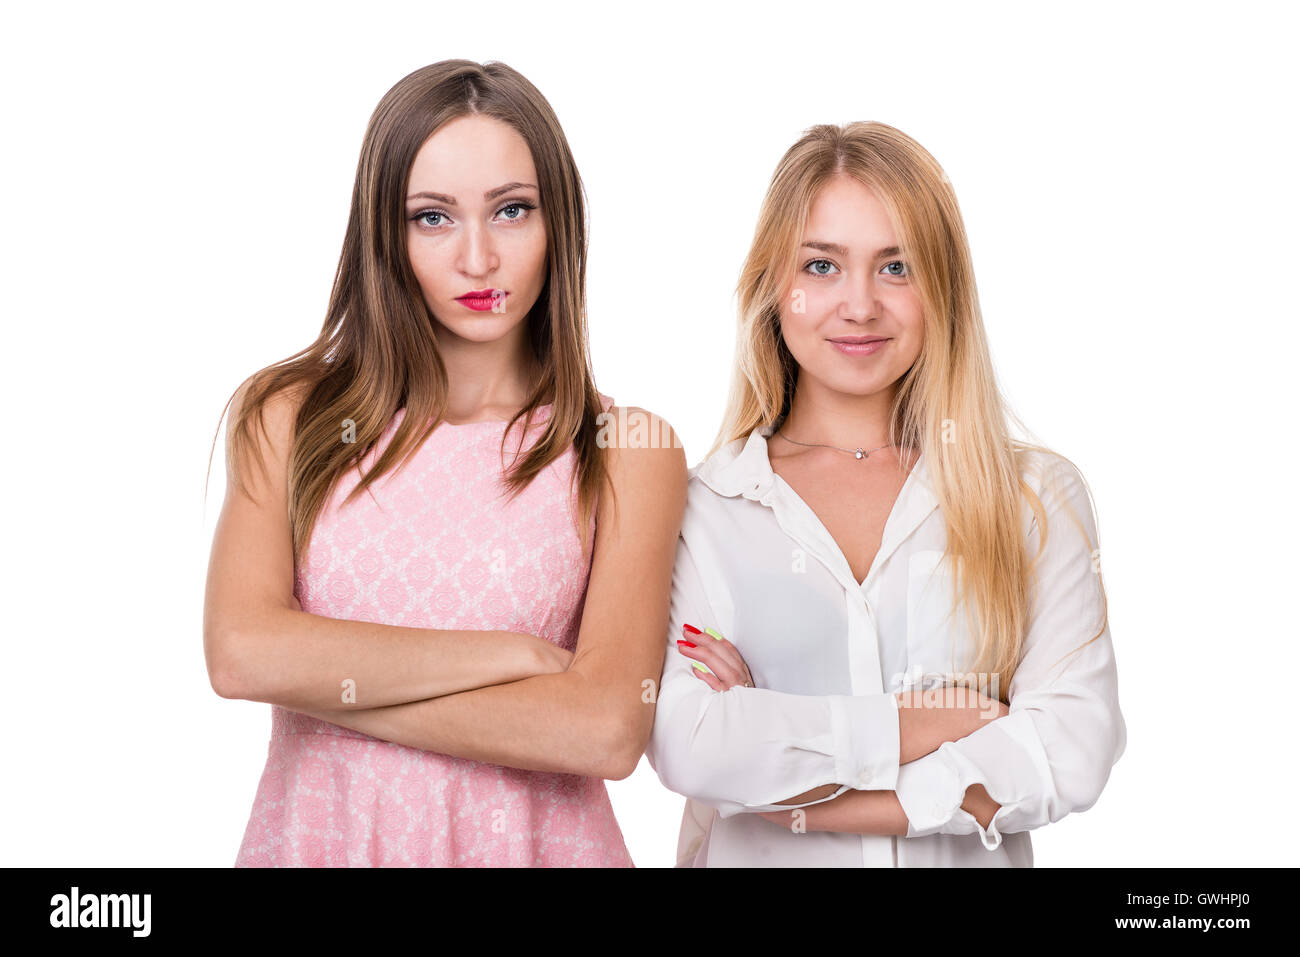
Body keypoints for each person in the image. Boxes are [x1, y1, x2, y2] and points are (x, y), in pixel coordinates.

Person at [203, 59, 685, 867]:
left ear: (557, 222)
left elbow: (603, 729)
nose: (477, 259)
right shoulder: (289, 416)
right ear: (384, 234)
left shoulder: (628, 449)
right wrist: (510, 657)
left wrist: (322, 682)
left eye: (511, 211)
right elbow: (242, 652)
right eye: (432, 217)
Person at [645, 121, 1125, 867]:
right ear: (776, 285)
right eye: (822, 266)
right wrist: (933, 719)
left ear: (942, 286)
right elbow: (693, 745)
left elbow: (1072, 746)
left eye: (896, 266)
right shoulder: (699, 510)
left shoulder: (1034, 499)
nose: (860, 305)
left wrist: (807, 785)